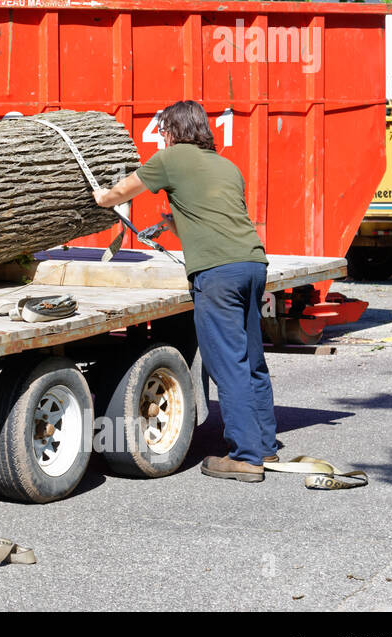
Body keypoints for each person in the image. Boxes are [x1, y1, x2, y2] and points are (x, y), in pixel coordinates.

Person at [92, 100, 274, 483]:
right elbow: (219, 217)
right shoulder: (228, 167)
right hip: (253, 265)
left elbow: (125, 190)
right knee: (252, 359)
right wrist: (173, 226)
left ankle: (245, 457)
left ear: (172, 132)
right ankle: (266, 445)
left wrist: (101, 198)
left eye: (164, 131)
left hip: (218, 274)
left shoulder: (170, 158)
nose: (163, 137)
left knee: (228, 365)